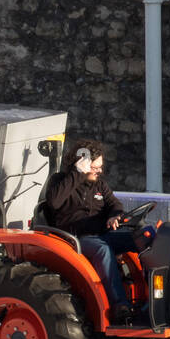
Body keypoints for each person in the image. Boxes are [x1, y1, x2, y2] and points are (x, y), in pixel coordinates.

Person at [45, 139, 140, 326]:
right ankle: (120, 305)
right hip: (74, 240)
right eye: (95, 167)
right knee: (102, 249)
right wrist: (77, 174)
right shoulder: (60, 182)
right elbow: (54, 202)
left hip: (102, 235)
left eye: (100, 167)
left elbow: (115, 206)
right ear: (82, 164)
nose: (99, 171)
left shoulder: (100, 186)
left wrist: (115, 217)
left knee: (144, 237)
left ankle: (153, 296)